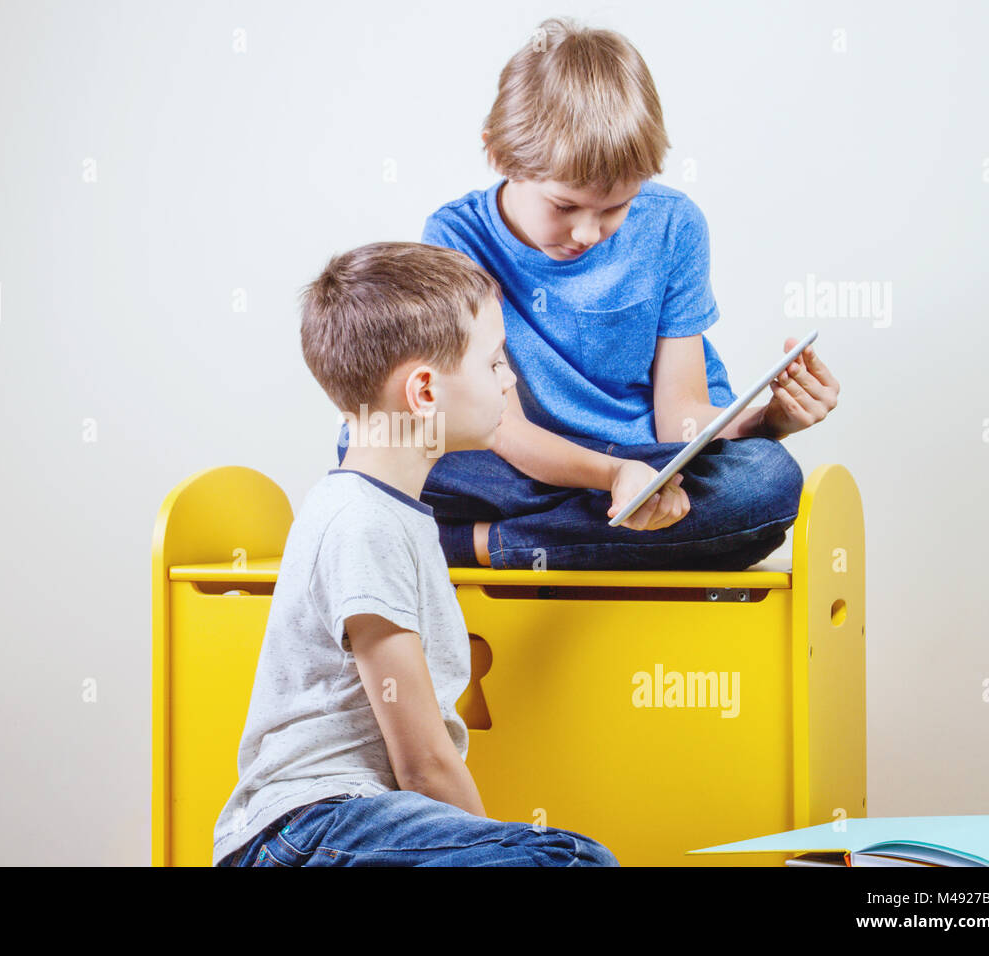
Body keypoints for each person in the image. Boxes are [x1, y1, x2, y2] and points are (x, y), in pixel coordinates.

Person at [339, 17, 841, 571]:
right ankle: (613, 533)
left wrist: (770, 419)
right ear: (500, 156)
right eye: (564, 206)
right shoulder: (457, 237)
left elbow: (682, 423)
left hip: (655, 459)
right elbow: (501, 427)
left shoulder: (673, 225)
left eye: (614, 209)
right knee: (367, 437)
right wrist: (609, 477)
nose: (587, 233)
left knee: (765, 481)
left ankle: (479, 544)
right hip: (522, 459)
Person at [213, 242, 617, 866]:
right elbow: (425, 765)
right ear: (425, 391)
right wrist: (497, 850)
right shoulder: (363, 523)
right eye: (494, 364)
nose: (511, 380)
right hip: (309, 826)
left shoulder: (392, 513)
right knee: (566, 860)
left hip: (351, 826)